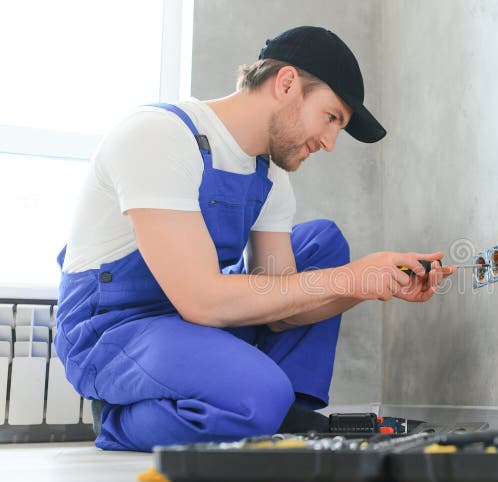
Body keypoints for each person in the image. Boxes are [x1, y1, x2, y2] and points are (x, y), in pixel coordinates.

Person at [55, 26, 455, 452]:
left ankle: (285, 416)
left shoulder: (271, 176)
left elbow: (281, 310)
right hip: (116, 328)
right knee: (256, 398)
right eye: (332, 117)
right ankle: (120, 420)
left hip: (188, 326)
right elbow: (202, 300)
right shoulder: (160, 136)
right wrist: (349, 279)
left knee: (323, 244)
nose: (330, 142)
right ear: (286, 84)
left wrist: (369, 283)